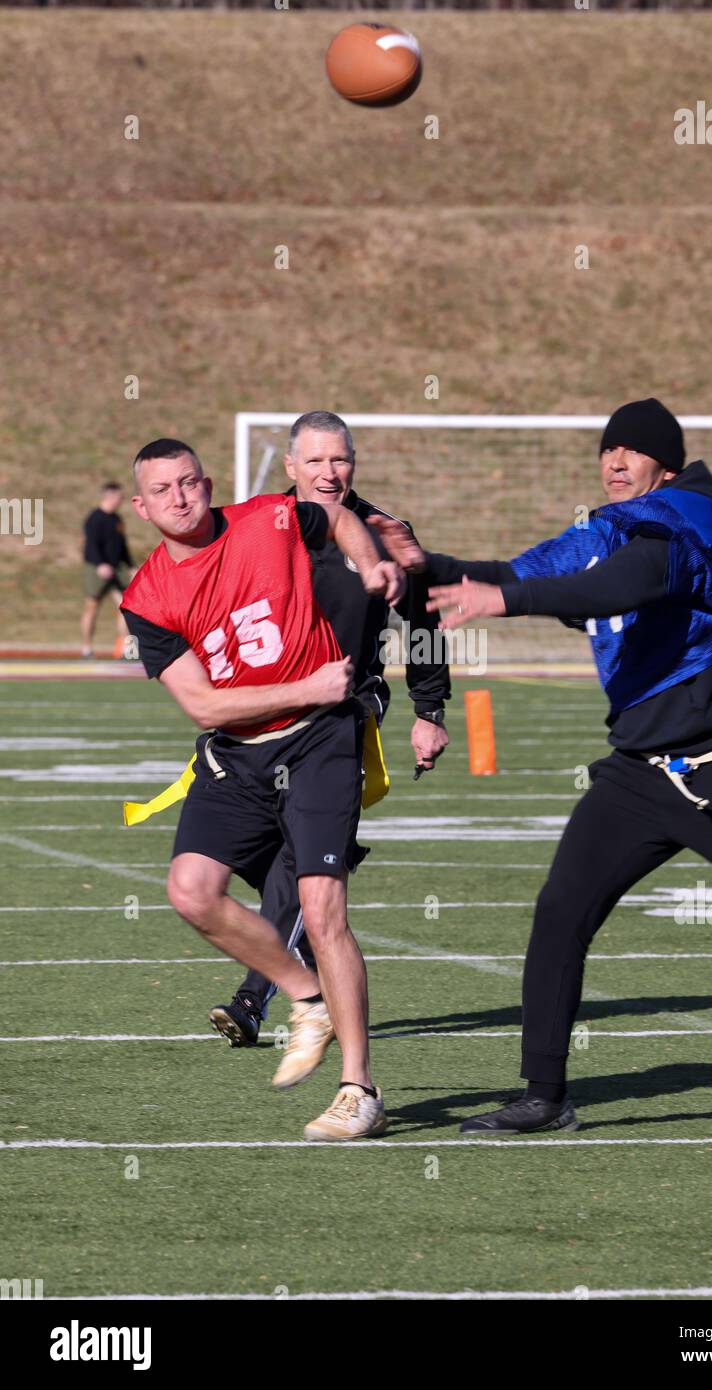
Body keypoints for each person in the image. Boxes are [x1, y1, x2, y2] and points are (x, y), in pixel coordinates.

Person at [373, 397, 712, 1135]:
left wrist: (507, 599)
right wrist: (422, 567)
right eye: (607, 449)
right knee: (560, 912)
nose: (612, 460)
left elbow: (622, 585)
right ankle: (544, 1096)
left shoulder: (686, 523)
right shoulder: (604, 529)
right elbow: (509, 571)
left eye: (630, 449)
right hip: (637, 775)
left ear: (665, 463)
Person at [120, 437, 406, 1141]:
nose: (179, 498)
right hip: (237, 751)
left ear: (208, 482)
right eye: (162, 490)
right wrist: (306, 681)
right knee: (190, 890)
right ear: (141, 506)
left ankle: (358, 1088)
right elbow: (207, 707)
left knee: (321, 905)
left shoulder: (270, 517)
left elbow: (335, 515)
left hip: (319, 736)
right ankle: (303, 994)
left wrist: (372, 565)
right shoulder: (147, 596)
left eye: (189, 482)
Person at [208, 410, 451, 1058]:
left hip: (342, 722)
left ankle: (257, 998)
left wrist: (431, 712)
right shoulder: (258, 527)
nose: (328, 471)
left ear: (354, 463)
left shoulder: (382, 533)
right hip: (260, 723)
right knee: (258, 867)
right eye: (314, 461)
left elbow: (422, 621)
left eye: (338, 459)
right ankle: (286, 978)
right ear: (290, 467)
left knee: (303, 862)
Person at [81, 482, 135, 657]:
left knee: (126, 607)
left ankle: (128, 650)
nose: (121, 501)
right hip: (97, 569)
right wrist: (100, 564)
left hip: (116, 570)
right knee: (92, 607)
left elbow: (122, 545)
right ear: (109, 497)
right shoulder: (94, 518)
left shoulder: (116, 519)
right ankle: (87, 648)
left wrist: (131, 565)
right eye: (119, 497)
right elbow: (90, 545)